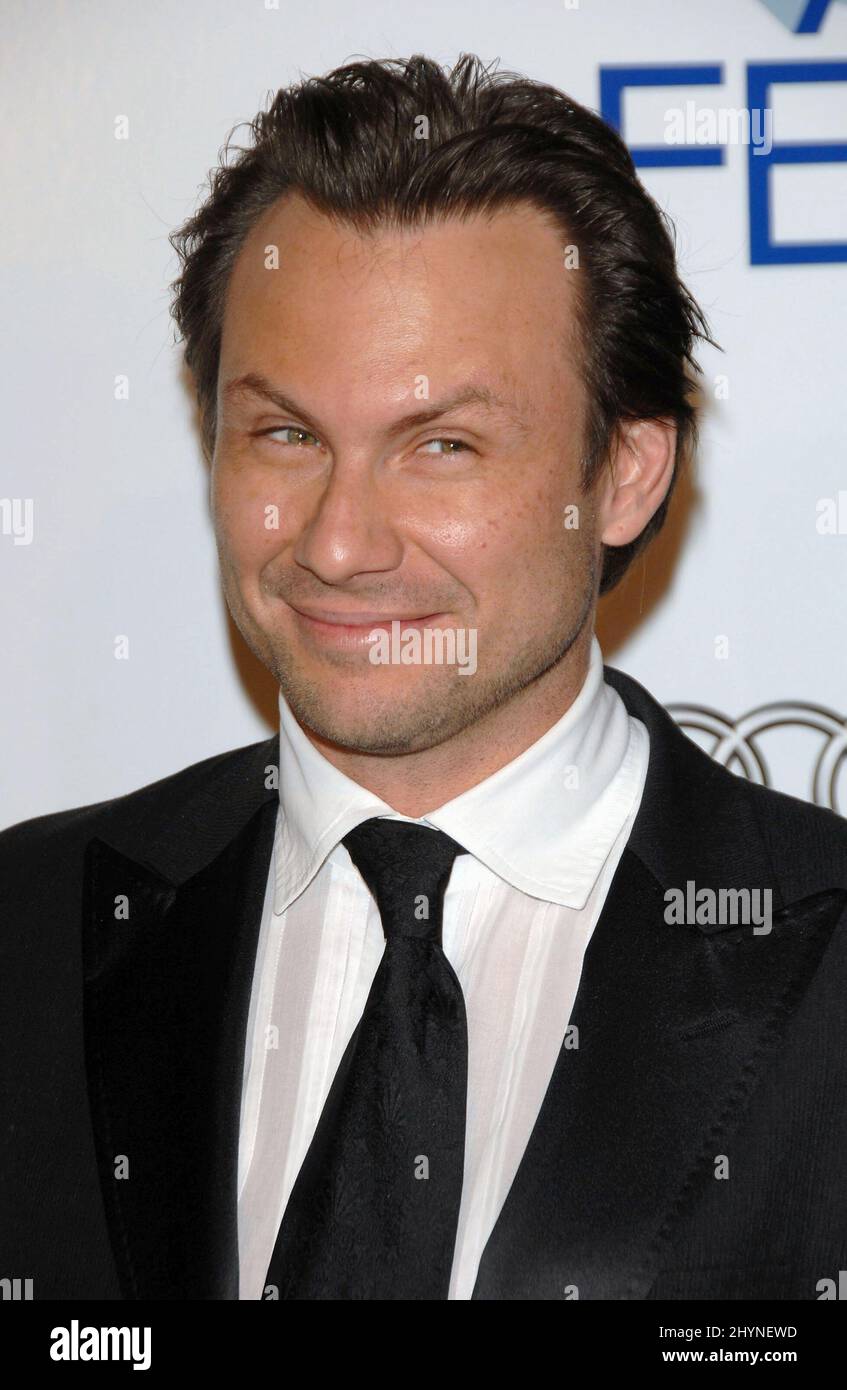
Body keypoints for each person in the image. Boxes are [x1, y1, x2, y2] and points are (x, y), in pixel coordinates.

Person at [2, 53, 845, 1303]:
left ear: (623, 473)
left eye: (441, 445)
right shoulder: (28, 924)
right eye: (286, 433)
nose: (338, 543)